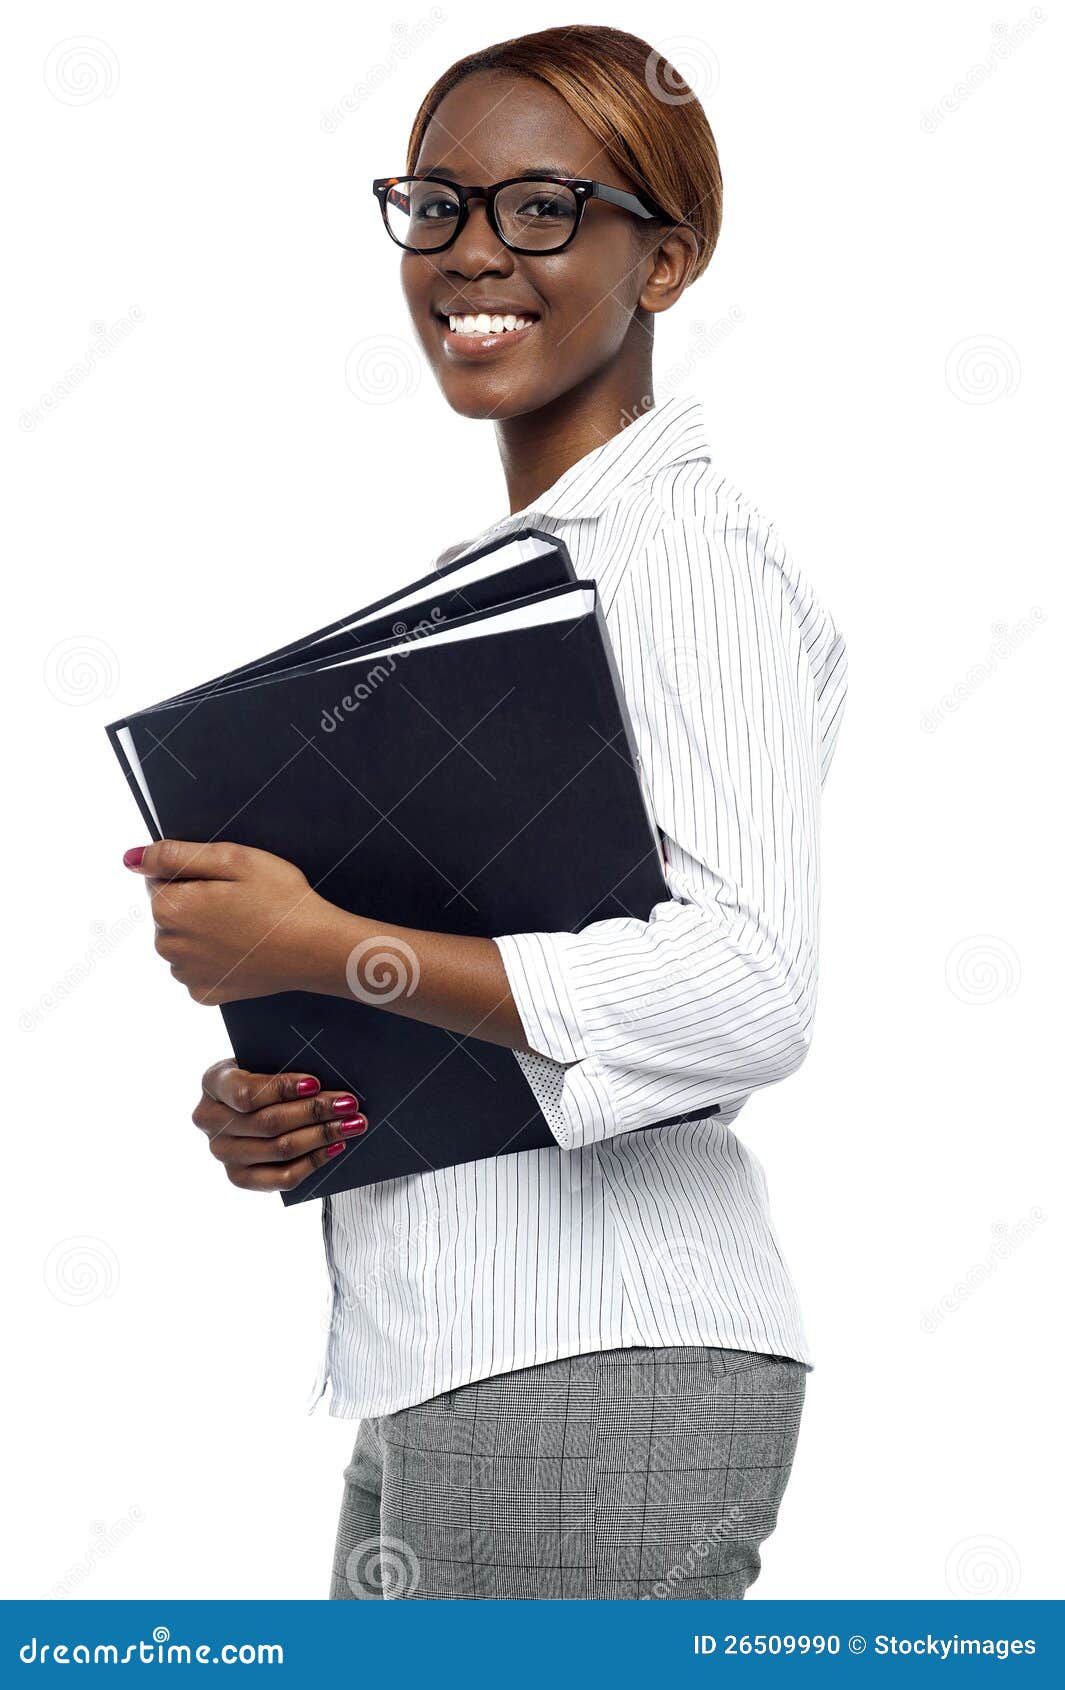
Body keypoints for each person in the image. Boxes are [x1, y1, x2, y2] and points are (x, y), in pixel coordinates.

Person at [122, 26, 847, 1600]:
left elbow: (750, 986)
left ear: (667, 260)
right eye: (435, 204)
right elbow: (501, 957)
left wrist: (330, 942)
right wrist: (299, 1086)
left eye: (538, 210)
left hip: (597, 1362)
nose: (468, 255)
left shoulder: (680, 559)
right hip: (442, 1359)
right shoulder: (511, 593)